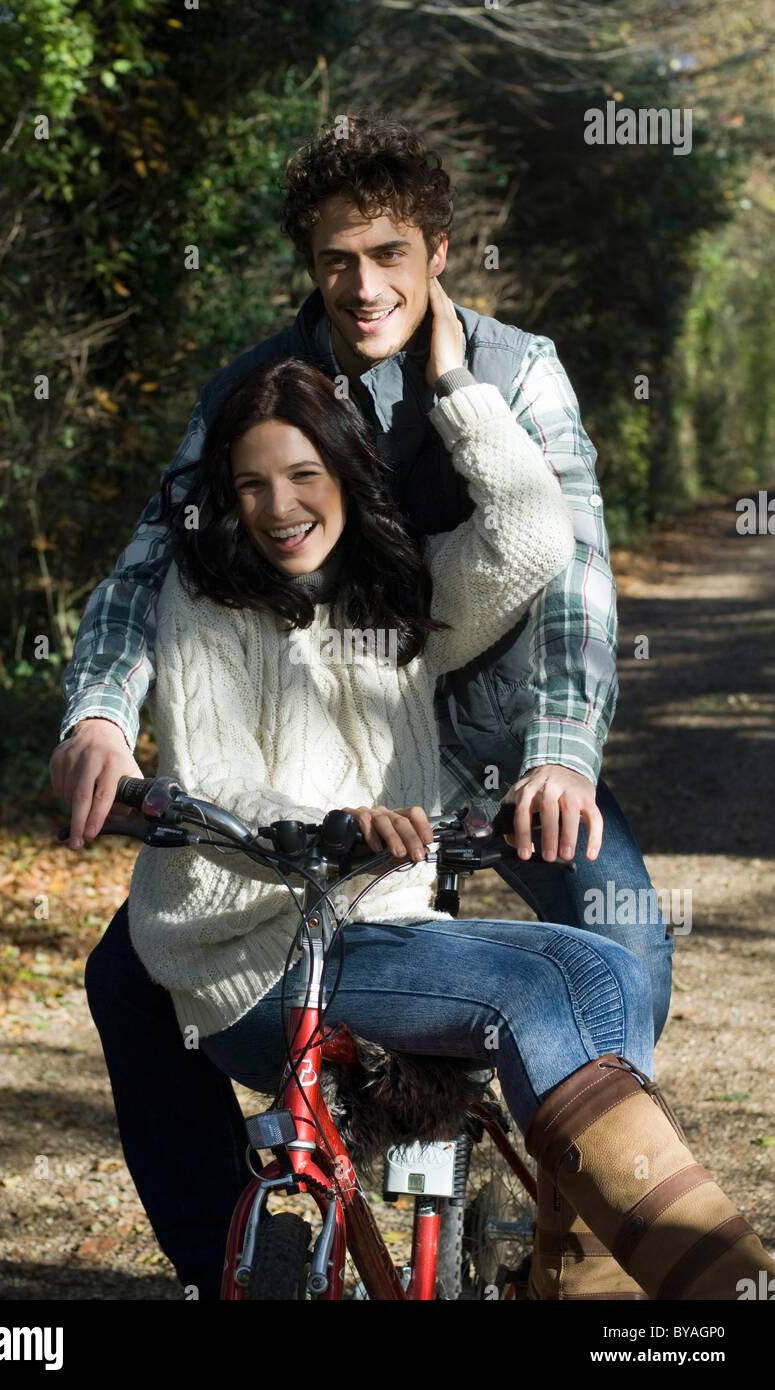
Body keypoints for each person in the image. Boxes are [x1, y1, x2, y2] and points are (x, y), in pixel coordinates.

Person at [51, 115, 675, 1299]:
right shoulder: (256, 388)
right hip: (332, 750)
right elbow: (150, 566)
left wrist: (556, 755)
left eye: (388, 253)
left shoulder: (515, 368)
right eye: (337, 258)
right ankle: (239, 1256)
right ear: (309, 262)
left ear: (437, 253)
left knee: (627, 935)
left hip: (493, 733)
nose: (362, 282)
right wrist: (96, 710)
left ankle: (581, 1230)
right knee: (126, 977)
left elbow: (569, 575)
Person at [126, 315, 775, 1304]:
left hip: (369, 934)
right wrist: (339, 816)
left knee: (601, 963)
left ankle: (581, 1267)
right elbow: (215, 778)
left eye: (302, 476)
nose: (277, 506)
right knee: (532, 992)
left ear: (344, 475)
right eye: (250, 484)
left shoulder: (394, 595)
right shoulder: (209, 599)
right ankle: (718, 1286)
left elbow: (531, 532)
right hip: (251, 961)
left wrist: (454, 381)